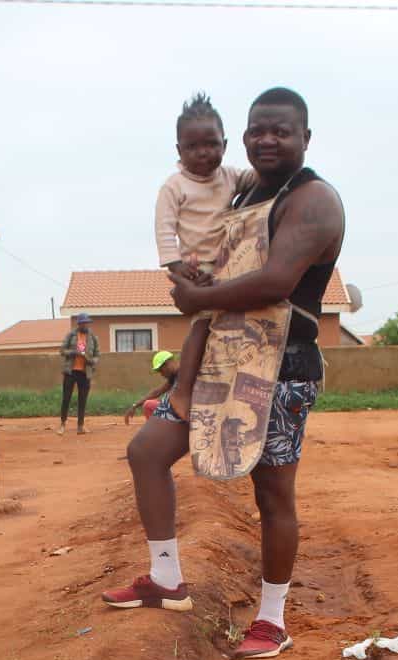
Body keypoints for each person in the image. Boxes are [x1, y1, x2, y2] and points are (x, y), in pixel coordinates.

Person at [103, 87, 345, 660]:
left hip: (281, 366)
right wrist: (181, 367)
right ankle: (166, 580)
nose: (267, 139)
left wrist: (193, 299)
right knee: (147, 451)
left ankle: (271, 619)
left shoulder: (314, 201)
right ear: (245, 136)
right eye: (257, 129)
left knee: (272, 491)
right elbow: (209, 269)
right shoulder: (241, 194)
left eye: (281, 131)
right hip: (218, 357)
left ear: (305, 138)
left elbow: (277, 281)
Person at [155, 92, 252, 419]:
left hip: (234, 265)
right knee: (200, 326)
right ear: (179, 150)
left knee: (235, 327)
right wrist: (178, 268)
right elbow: (164, 228)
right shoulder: (175, 186)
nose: (203, 153)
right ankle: (183, 390)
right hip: (198, 269)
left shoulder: (230, 177)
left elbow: (259, 179)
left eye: (211, 144)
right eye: (193, 147)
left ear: (224, 144)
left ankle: (230, 389)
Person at [57, 313, 100, 436]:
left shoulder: (93, 337)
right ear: (79, 324)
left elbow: (97, 355)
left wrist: (91, 360)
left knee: (83, 399)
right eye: (83, 323)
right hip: (71, 371)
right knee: (66, 398)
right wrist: (74, 352)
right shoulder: (71, 335)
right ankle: (62, 425)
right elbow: (62, 350)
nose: (85, 325)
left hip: (85, 372)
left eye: (87, 323)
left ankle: (80, 426)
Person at [126, 350, 179, 423]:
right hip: (175, 411)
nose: (161, 374)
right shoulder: (174, 377)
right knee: (148, 405)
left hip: (186, 414)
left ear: (167, 363)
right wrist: (135, 405)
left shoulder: (186, 373)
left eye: (161, 370)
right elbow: (157, 392)